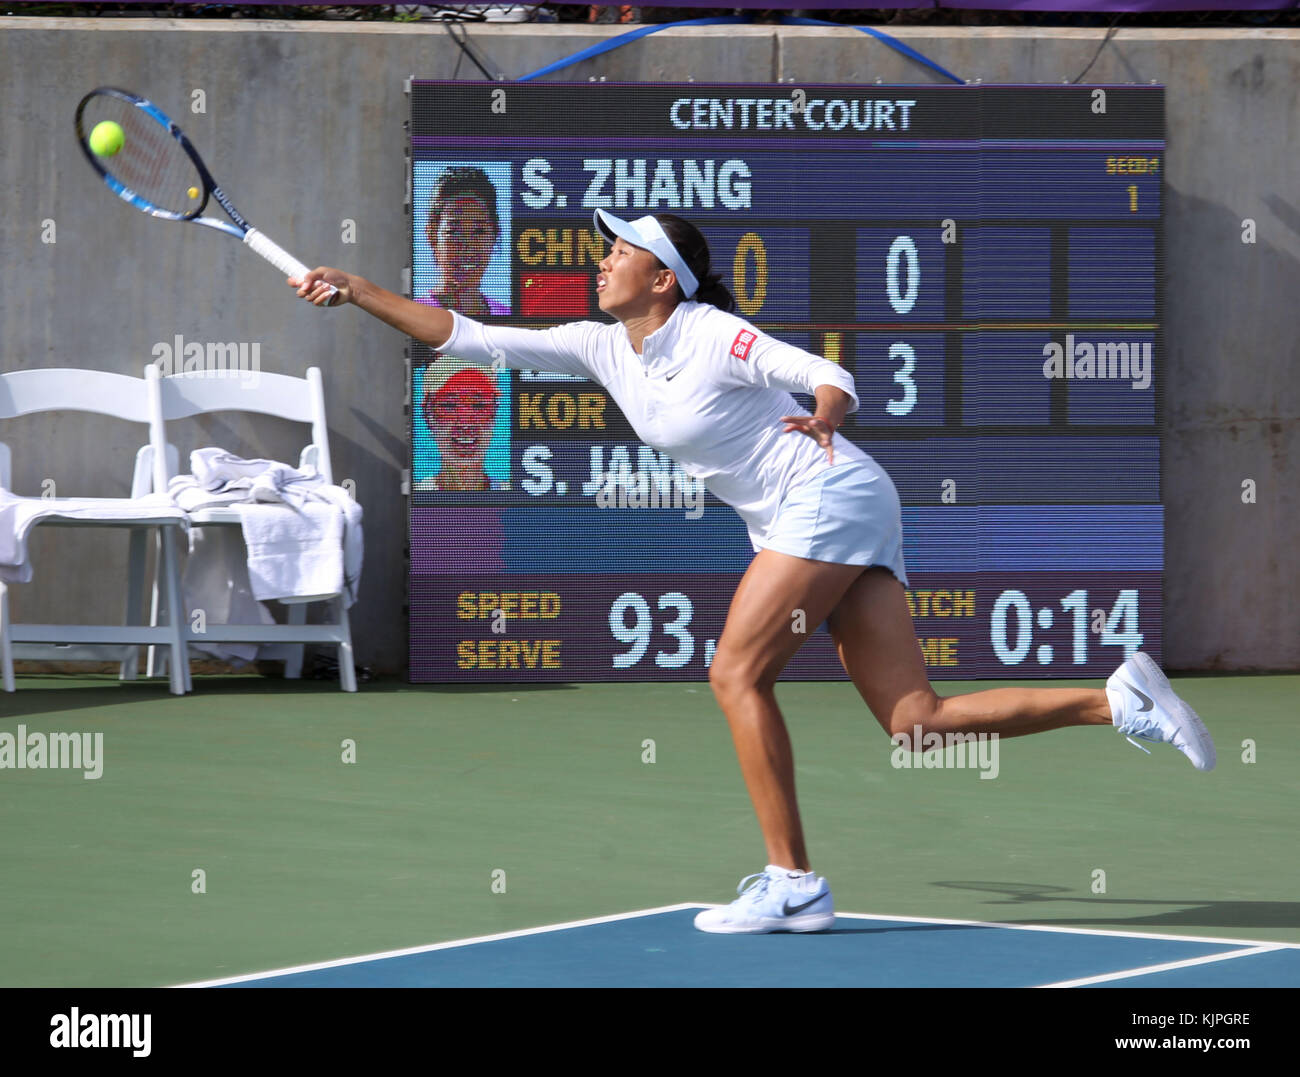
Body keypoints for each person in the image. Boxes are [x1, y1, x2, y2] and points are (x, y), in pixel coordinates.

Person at [290, 210, 1216, 935]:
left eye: (619, 251)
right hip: (816, 512)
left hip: (829, 492)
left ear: (663, 277)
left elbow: (824, 371)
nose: (600, 260)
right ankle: (1115, 698)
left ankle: (793, 881)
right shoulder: (601, 346)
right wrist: (362, 287)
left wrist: (823, 409)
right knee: (918, 725)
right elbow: (466, 335)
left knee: (734, 670)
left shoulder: (709, 333)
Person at [419, 166, 510, 317]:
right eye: (454, 232)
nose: (467, 246)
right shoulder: (414, 316)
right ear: (432, 235)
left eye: (479, 232)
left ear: (494, 236)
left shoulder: (508, 319)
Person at [414, 359, 509, 492]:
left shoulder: (519, 500)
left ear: (494, 415)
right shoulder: (416, 497)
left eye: (479, 405)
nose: (465, 423)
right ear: (428, 417)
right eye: (449, 405)